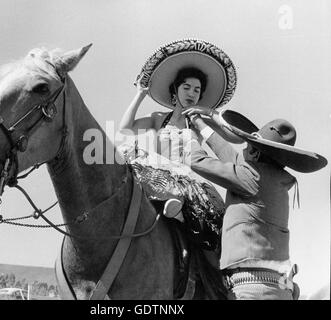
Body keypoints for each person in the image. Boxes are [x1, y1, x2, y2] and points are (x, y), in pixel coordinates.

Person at [181, 107, 328, 300]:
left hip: (252, 290)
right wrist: (199, 123)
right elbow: (228, 155)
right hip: (280, 287)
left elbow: (196, 159)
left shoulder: (250, 178)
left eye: (248, 145)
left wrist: (187, 135)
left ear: (255, 154)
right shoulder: (269, 179)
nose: (243, 149)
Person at [119, 39, 237, 222]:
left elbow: (235, 137)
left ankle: (181, 211)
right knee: (126, 150)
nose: (191, 93)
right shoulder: (159, 118)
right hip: (161, 178)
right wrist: (140, 95)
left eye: (197, 90)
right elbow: (125, 129)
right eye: (187, 87)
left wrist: (210, 113)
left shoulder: (201, 121)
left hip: (192, 182)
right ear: (175, 90)